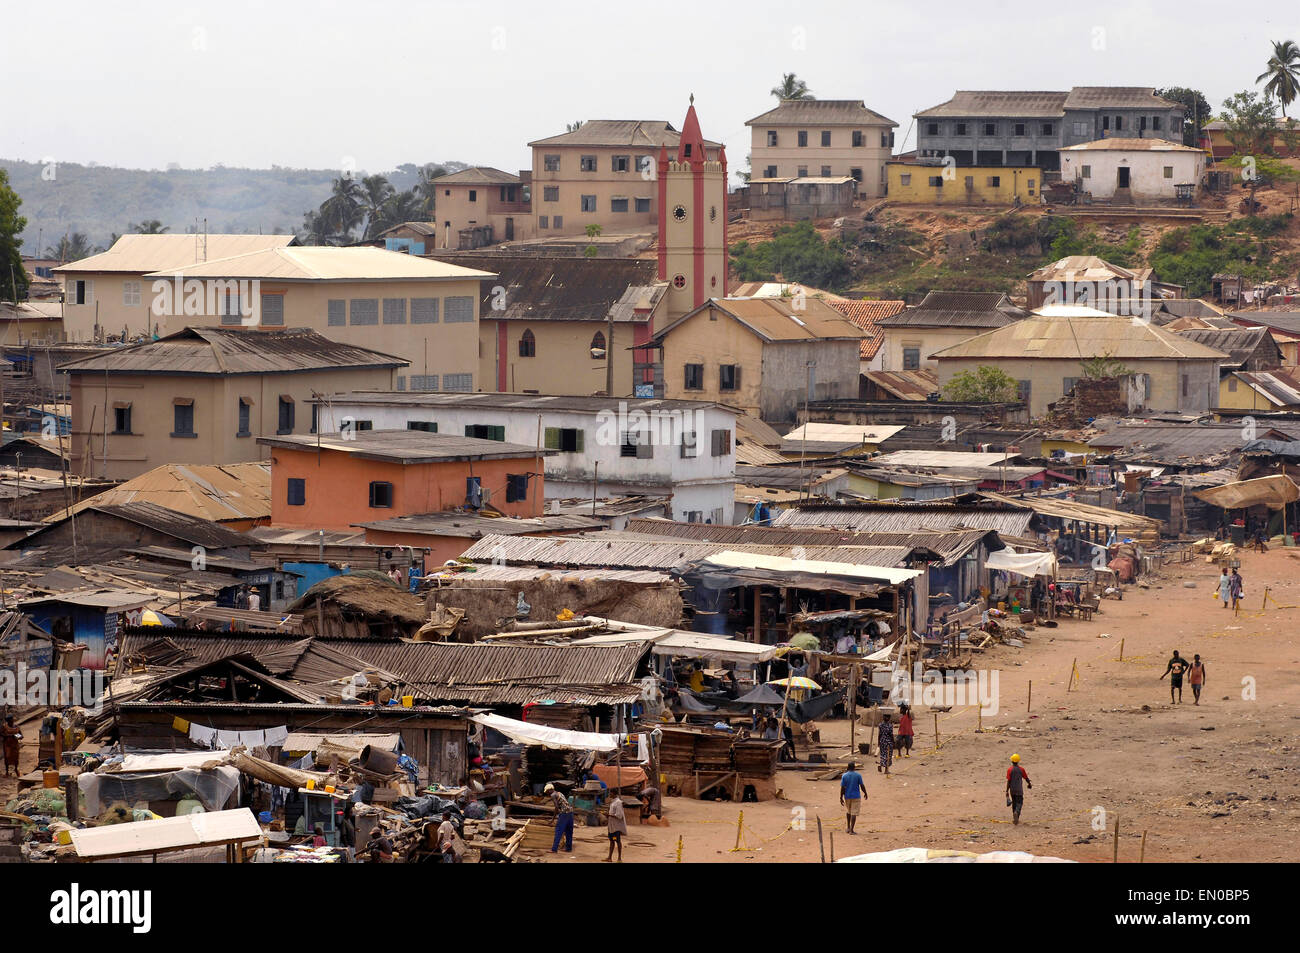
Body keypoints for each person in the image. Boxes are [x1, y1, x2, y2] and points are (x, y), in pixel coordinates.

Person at [839, 760, 868, 834]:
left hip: (847, 796)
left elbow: (842, 787)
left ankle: (848, 827)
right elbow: (862, 785)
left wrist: (841, 797)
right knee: (854, 813)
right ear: (854, 768)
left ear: (848, 767)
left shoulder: (844, 776)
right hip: (856, 796)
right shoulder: (858, 775)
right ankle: (852, 830)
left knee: (849, 811)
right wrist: (865, 793)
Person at [546, 783, 574, 853]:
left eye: (547, 792)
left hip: (564, 813)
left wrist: (553, 819)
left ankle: (554, 849)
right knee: (569, 831)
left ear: (550, 790)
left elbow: (556, 807)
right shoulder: (559, 793)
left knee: (558, 831)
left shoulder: (553, 795)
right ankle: (568, 848)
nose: (547, 793)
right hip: (570, 812)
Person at [1005, 753, 1032, 825]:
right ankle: (1016, 813)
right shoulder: (1021, 769)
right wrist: (1029, 784)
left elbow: (1008, 781)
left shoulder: (1009, 770)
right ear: (1018, 761)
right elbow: (1026, 778)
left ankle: (1015, 819)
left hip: (1012, 790)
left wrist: (1007, 791)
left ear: (1011, 761)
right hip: (1019, 790)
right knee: (1019, 803)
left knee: (1014, 803)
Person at [605, 794, 627, 862]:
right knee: (611, 841)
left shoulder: (618, 803)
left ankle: (619, 858)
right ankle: (609, 858)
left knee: (617, 841)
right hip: (612, 826)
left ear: (614, 793)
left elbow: (619, 815)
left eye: (611, 793)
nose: (610, 794)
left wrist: (609, 815)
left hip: (616, 827)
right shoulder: (613, 802)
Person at [876, 712, 895, 777]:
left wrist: (878, 742)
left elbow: (879, 734)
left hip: (882, 741)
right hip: (888, 742)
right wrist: (893, 742)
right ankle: (886, 770)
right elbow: (891, 734)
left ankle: (881, 765)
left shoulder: (880, 725)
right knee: (888, 755)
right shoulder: (890, 725)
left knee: (883, 754)